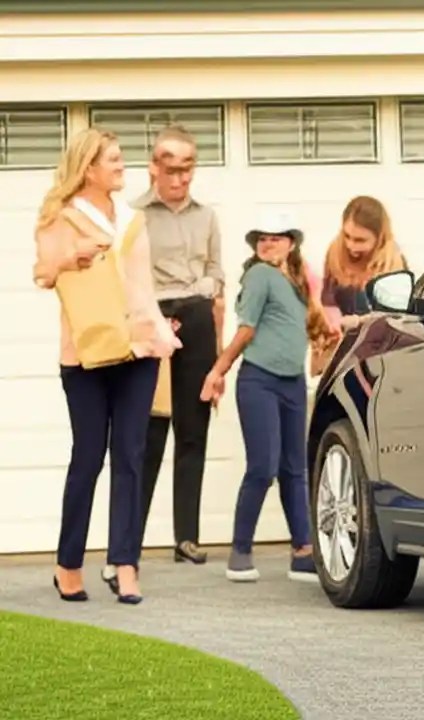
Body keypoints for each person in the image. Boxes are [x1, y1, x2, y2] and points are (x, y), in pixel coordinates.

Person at [32, 127, 181, 605]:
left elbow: (142, 285)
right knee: (88, 457)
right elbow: (43, 272)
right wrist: (71, 259)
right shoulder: (63, 217)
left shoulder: (134, 219)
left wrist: (160, 329)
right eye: (113, 159)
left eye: (121, 159)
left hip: (138, 350)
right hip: (86, 355)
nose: (121, 166)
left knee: (131, 458)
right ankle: (68, 563)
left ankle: (125, 563)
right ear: (89, 168)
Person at [199, 209, 335, 583]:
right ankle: (240, 551)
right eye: (262, 238)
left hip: (291, 383)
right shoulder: (258, 275)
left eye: (275, 238)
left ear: (290, 243)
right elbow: (246, 330)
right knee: (263, 466)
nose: (268, 243)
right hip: (259, 381)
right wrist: (218, 370)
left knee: (295, 469)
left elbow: (310, 325)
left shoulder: (295, 282)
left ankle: (303, 552)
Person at [134, 125, 224, 568]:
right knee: (149, 433)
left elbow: (216, 273)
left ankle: (186, 537)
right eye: (172, 170)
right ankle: (128, 537)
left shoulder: (206, 216)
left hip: (197, 316)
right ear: (154, 168)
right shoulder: (135, 215)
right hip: (154, 320)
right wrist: (154, 317)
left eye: (188, 170)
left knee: (193, 431)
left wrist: (204, 295)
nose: (180, 179)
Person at [321, 195, 408, 329]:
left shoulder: (394, 264)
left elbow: (396, 318)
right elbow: (328, 301)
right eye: (347, 236)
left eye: (360, 240)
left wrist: (359, 321)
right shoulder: (335, 253)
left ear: (379, 238)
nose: (351, 245)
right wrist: (334, 323)